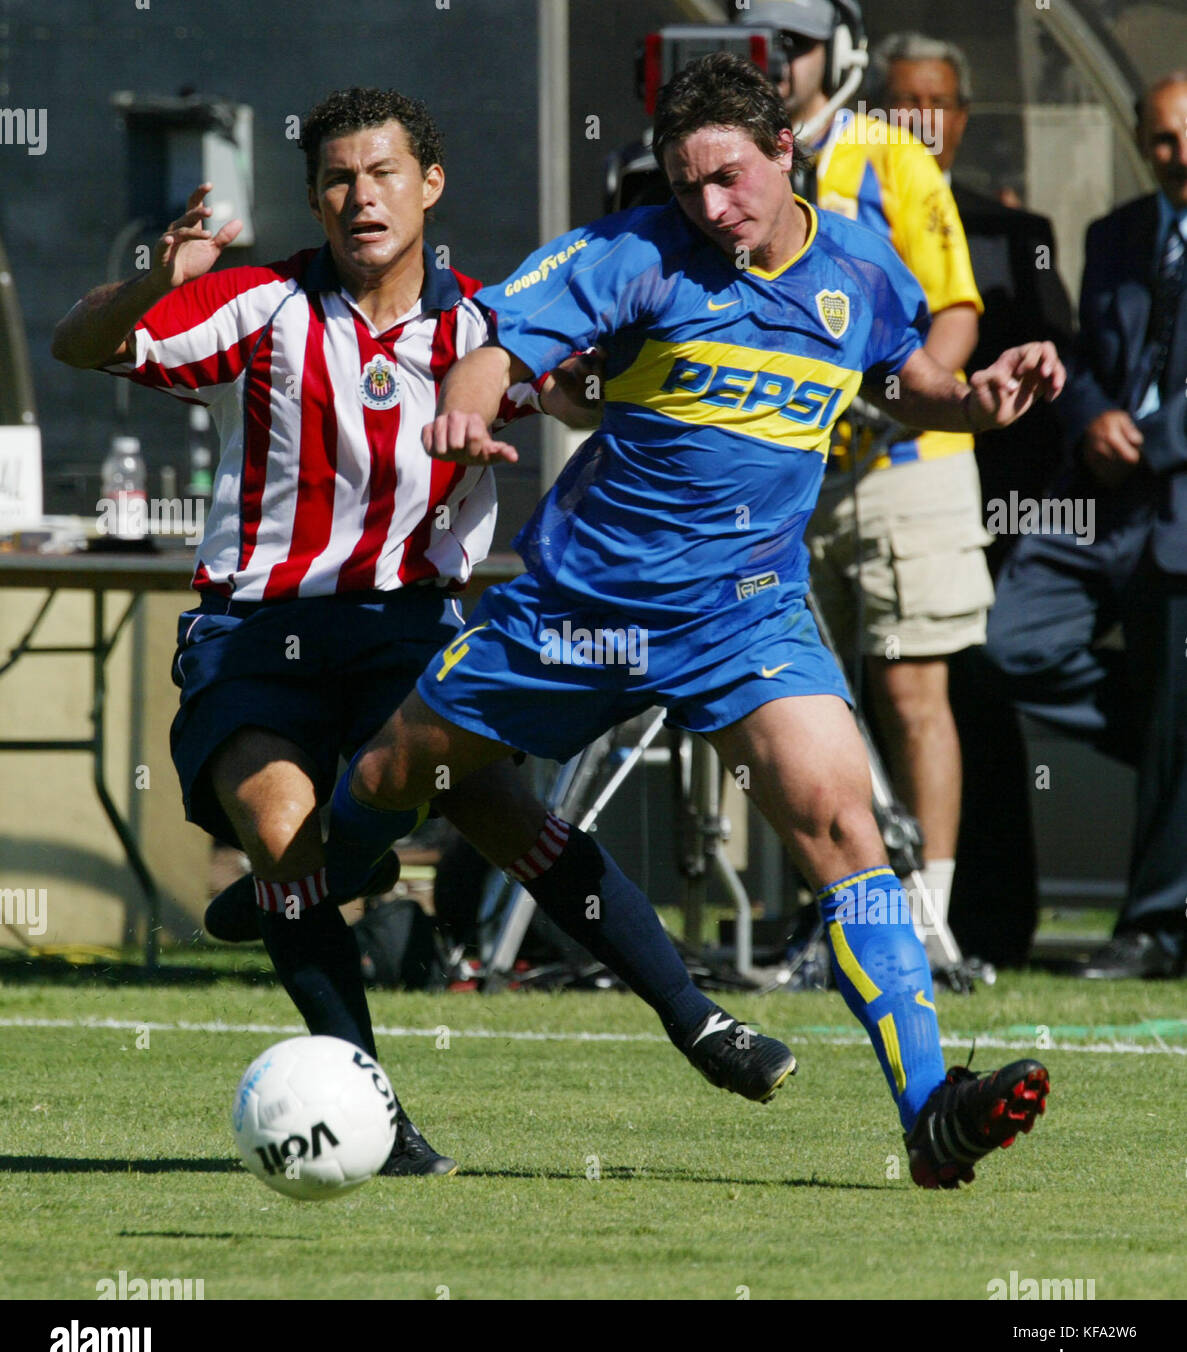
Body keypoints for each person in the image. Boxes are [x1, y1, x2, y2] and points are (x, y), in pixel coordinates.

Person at [322, 53, 1060, 1188]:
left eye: (726, 179)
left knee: (841, 820)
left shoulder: (857, 268)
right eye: (685, 185)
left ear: (785, 155)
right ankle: (313, 882)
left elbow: (897, 374)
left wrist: (971, 399)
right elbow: (491, 346)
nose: (708, 207)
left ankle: (929, 1113)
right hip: (579, 609)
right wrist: (460, 421)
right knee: (389, 782)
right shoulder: (633, 253)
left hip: (746, 613)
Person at [52, 87, 797, 1179]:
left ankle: (698, 1020)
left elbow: (589, 390)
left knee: (495, 807)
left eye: (384, 173)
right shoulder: (260, 305)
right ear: (314, 199)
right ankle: (376, 1120)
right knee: (280, 829)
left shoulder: (486, 327)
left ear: (429, 185)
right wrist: (157, 285)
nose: (362, 197)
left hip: (406, 626)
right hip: (252, 635)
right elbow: (80, 345)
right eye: (339, 180)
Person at [736, 1, 989, 952]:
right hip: (781, 474)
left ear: (839, 54)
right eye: (757, 45)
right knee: (803, 705)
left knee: (911, 691)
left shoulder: (892, 152)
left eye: (791, 46)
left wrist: (894, 400)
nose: (775, 64)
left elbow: (954, 310)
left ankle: (930, 922)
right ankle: (842, 913)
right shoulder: (727, 160)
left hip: (900, 462)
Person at [870, 31, 1076, 967]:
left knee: (975, 717)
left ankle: (982, 921)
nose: (919, 121)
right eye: (899, 103)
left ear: (961, 117)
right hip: (868, 491)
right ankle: (860, 913)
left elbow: (1056, 380)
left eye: (935, 103)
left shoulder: (1013, 236)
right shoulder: (835, 222)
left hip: (991, 514)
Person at [985, 73, 1187, 980]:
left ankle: (1149, 927)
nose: (1179, 155)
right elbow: (1079, 352)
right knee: (1003, 642)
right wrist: (1090, 413)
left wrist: (1149, 437)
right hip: (1099, 508)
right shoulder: (1117, 234)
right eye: (1162, 139)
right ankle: (1166, 726)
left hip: (1178, 503)